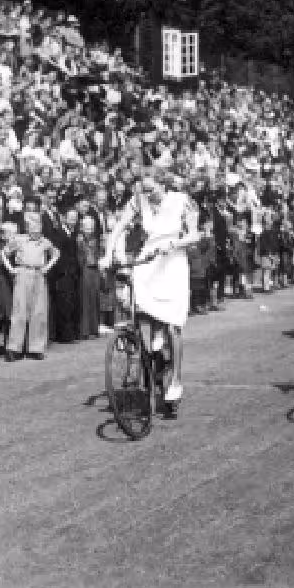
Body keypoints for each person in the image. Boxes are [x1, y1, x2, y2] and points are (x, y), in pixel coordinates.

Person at [101, 170, 199, 414]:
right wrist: (108, 254)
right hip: (150, 260)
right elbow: (118, 228)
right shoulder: (139, 200)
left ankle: (175, 381)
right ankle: (152, 353)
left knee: (173, 325)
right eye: (144, 190)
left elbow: (194, 235)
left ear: (163, 184)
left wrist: (174, 244)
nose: (147, 194)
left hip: (174, 260)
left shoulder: (181, 201)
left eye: (151, 189)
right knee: (142, 307)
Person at [1, 212, 59, 361]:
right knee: (19, 310)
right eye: (32, 226)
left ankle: (36, 348)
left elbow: (56, 254)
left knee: (39, 311)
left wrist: (48, 266)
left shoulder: (45, 242)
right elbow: (4, 253)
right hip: (23, 272)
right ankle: (14, 348)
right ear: (27, 228)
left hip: (39, 274)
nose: (35, 230)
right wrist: (11, 268)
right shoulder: (19, 240)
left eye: (38, 226)